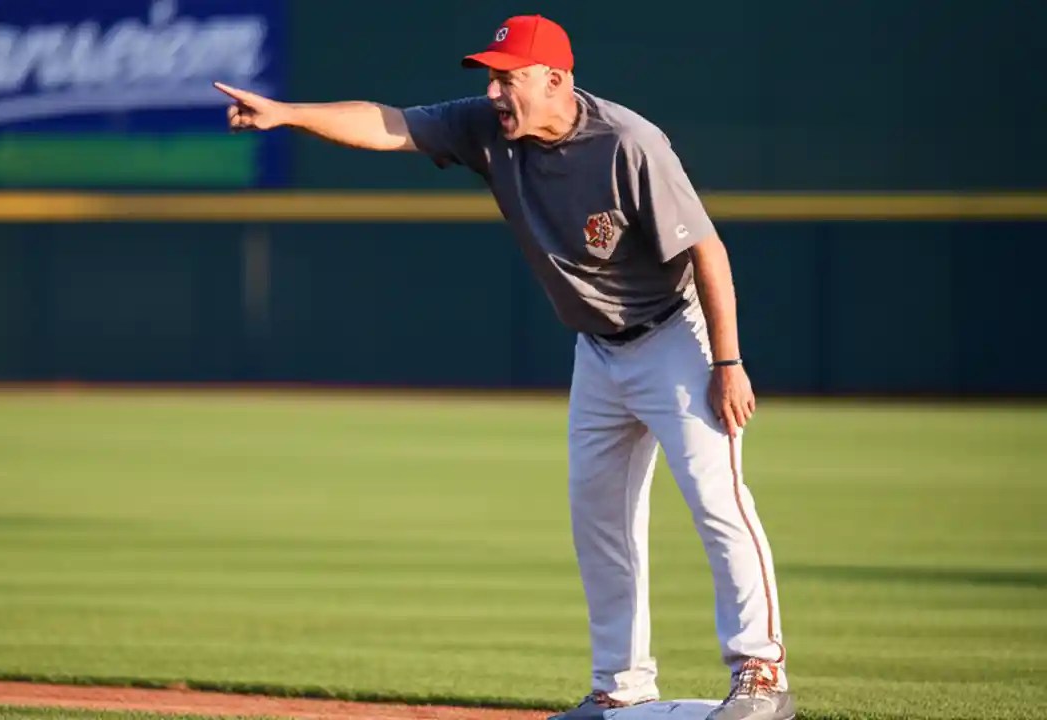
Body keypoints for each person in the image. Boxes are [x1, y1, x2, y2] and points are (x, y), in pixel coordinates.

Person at [214, 14, 793, 720]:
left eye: (506, 76)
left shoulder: (628, 143)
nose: (493, 90)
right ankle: (620, 687)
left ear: (555, 80)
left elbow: (708, 252)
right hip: (597, 351)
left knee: (717, 500)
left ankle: (761, 673)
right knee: (599, 521)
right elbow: (390, 122)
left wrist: (728, 362)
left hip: (674, 339)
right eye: (490, 75)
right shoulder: (488, 128)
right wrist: (289, 115)